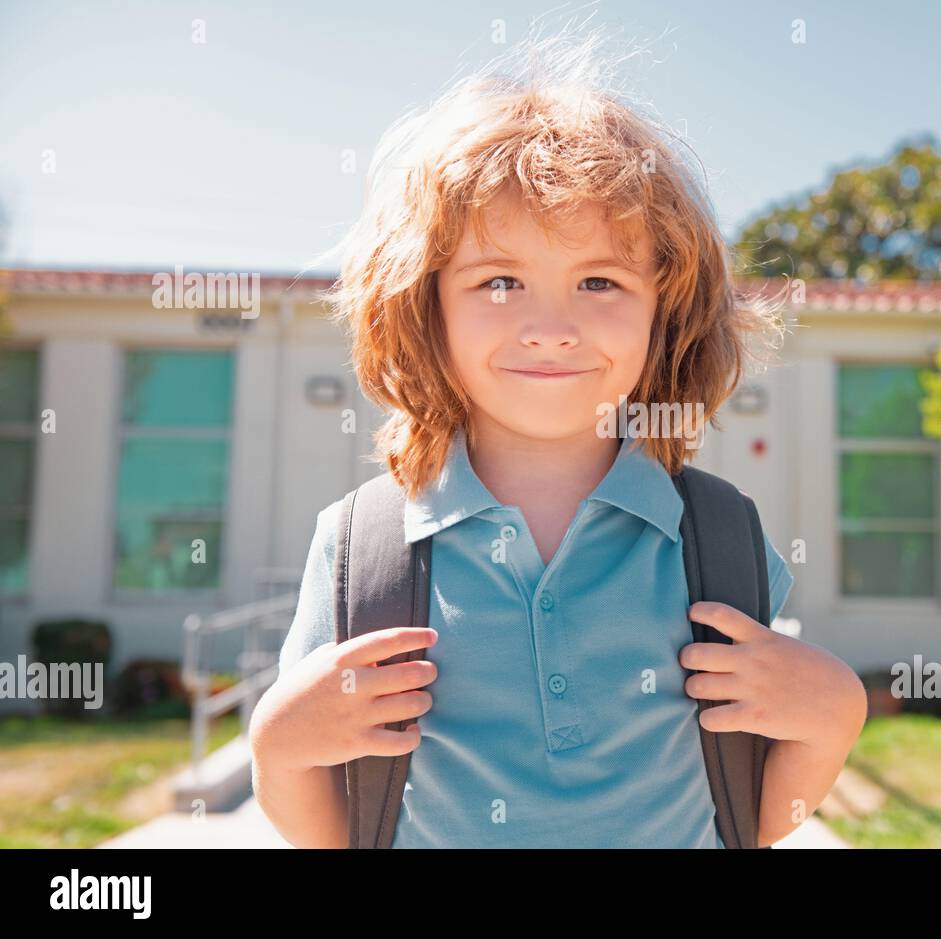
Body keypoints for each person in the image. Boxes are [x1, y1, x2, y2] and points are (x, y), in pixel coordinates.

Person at [249, 28, 866, 849]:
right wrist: (276, 748)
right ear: (423, 305)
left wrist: (833, 719)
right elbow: (328, 832)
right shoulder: (364, 546)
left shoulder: (717, 536)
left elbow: (755, 825)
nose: (550, 327)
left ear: (667, 312)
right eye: (499, 281)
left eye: (599, 281)